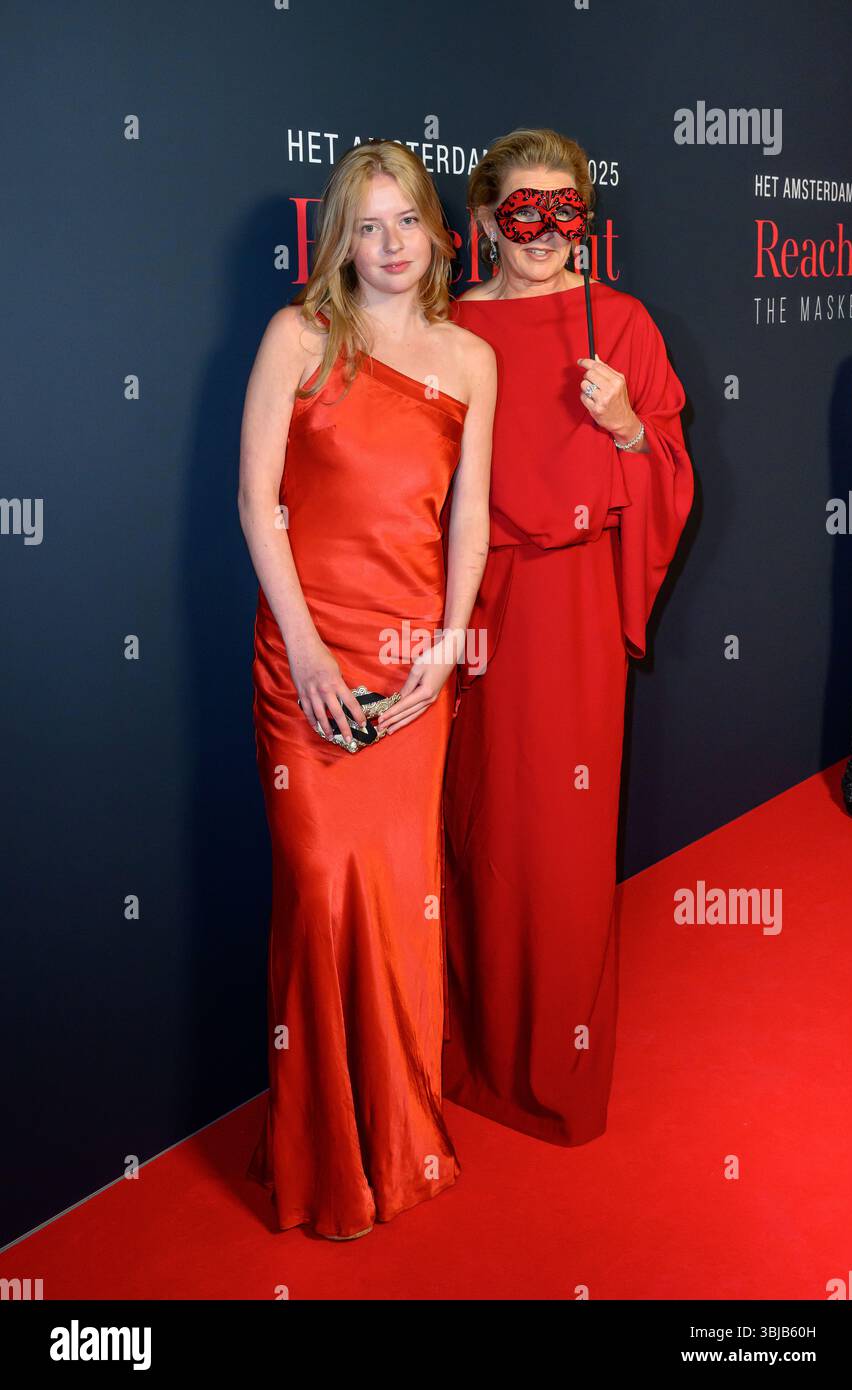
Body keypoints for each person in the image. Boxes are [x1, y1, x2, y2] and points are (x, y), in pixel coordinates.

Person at [239, 140, 495, 1238]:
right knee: (321, 892)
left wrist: (444, 648)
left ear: (435, 232)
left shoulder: (467, 357)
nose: (390, 247)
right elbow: (258, 503)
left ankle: (396, 1134)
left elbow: (466, 518)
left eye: (407, 223)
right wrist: (301, 649)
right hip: (305, 660)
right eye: (367, 226)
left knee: (394, 905)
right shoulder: (298, 338)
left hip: (411, 669)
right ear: (336, 239)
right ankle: (325, 1163)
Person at [442, 127, 694, 1146]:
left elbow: (670, 469)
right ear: (484, 221)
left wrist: (630, 425)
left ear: (585, 218)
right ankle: (466, 1048)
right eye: (522, 210)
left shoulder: (620, 322)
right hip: (464, 602)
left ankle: (551, 1063)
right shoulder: (447, 324)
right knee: (474, 824)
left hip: (573, 606)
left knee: (561, 836)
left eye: (562, 209)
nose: (542, 230)